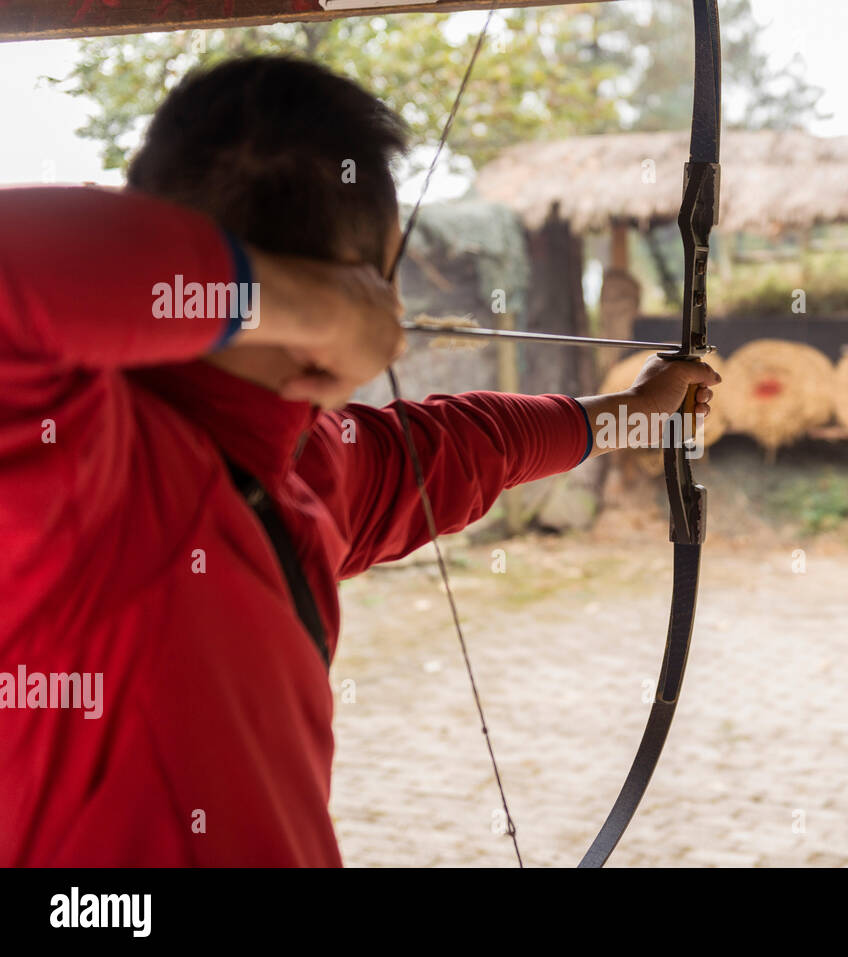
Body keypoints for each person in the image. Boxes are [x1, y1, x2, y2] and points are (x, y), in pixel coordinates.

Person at [0, 56, 718, 866]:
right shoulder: (72, 454)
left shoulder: (306, 464)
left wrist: (630, 415)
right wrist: (313, 304)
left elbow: (466, 447)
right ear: (370, 287)